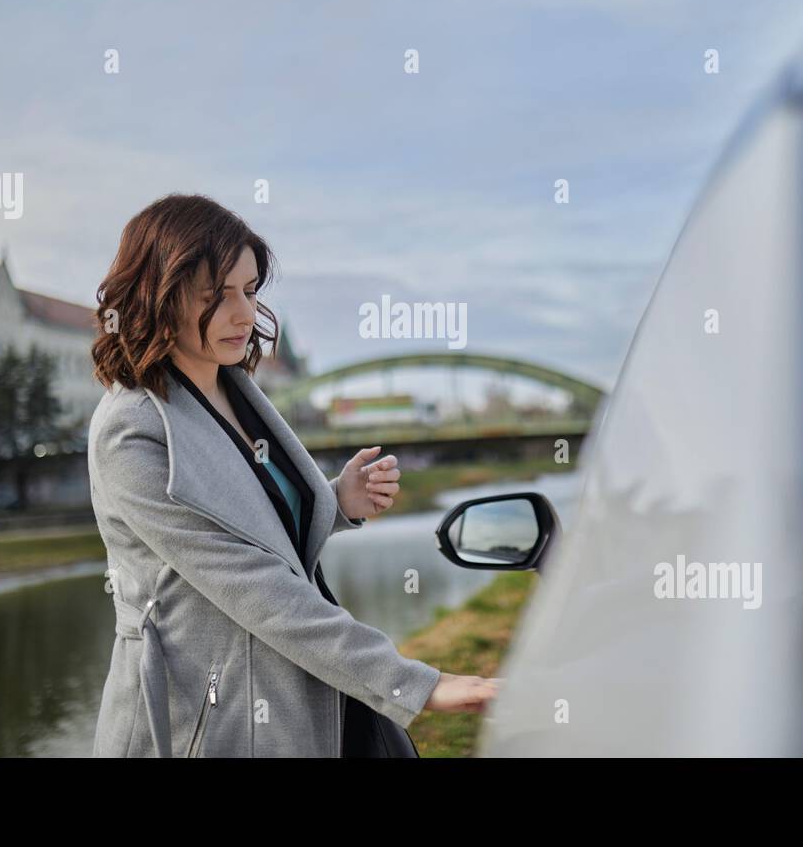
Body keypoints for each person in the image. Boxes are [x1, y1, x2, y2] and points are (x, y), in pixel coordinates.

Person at [87, 192, 499, 757]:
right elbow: (252, 582)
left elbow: (254, 528)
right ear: (160, 292)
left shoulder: (231, 385)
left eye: (251, 291)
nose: (244, 314)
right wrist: (413, 682)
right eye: (216, 294)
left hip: (295, 684)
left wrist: (334, 501)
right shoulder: (132, 428)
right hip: (205, 715)